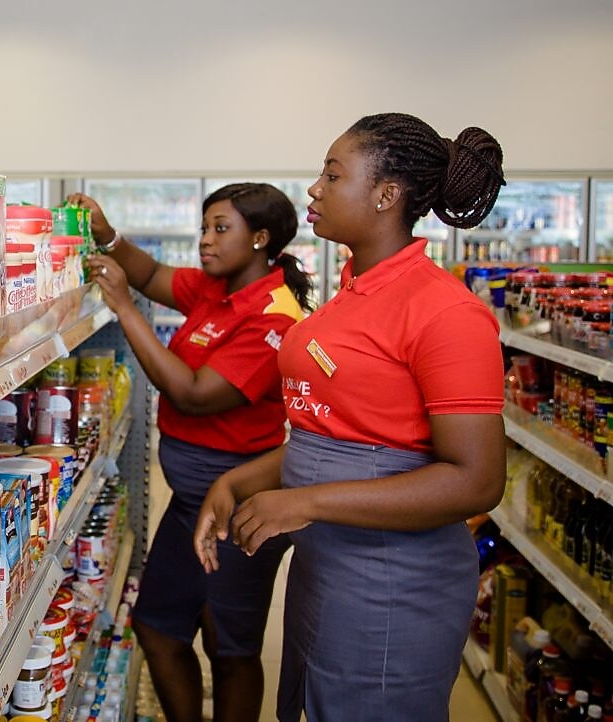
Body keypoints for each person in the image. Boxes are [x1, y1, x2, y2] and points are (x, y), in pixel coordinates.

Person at [193, 113, 507, 722]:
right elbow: (340, 436)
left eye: (333, 175)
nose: (314, 188)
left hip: (393, 583)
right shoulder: (350, 296)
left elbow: (476, 480)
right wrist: (239, 482)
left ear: (386, 195)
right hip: (327, 568)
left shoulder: (446, 312)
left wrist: (305, 503)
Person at [70, 183, 314, 722]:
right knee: (157, 629)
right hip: (188, 505)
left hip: (237, 507)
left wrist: (124, 308)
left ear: (261, 238)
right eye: (204, 227)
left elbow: (195, 394)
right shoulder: (214, 286)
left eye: (220, 229)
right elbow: (153, 273)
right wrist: (107, 236)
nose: (206, 240)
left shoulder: (275, 316)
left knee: (230, 650)